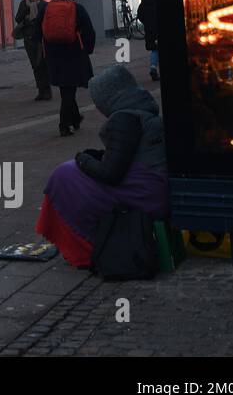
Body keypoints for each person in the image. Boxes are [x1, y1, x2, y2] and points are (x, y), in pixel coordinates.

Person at [36, 65, 169, 268]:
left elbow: (111, 174)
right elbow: (126, 155)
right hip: (156, 185)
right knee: (72, 172)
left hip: (147, 192)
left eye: (98, 102)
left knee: (65, 176)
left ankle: (87, 246)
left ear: (109, 98)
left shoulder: (124, 118)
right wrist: (98, 156)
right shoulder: (142, 108)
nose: (98, 109)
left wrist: (83, 160)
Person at [40, 0, 96, 137]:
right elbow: (89, 32)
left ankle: (76, 118)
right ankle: (64, 124)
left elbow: (39, 31)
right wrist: (87, 49)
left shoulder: (46, 9)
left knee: (67, 88)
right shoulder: (77, 8)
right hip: (74, 54)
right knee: (69, 91)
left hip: (53, 55)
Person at [14, 0, 51, 101]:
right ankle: (41, 90)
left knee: (42, 64)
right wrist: (26, 17)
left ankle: (47, 90)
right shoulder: (23, 4)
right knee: (35, 65)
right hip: (29, 38)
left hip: (41, 38)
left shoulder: (44, 4)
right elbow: (18, 18)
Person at [138, 0, 159, 81]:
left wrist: (147, 23)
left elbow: (140, 15)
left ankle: (153, 67)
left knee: (154, 49)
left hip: (149, 30)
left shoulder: (144, 1)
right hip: (158, 28)